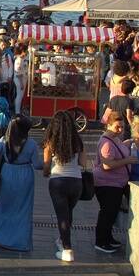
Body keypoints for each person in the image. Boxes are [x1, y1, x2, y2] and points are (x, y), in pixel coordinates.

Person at [0, 116, 43, 252]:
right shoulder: (31, 143)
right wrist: (48, 165)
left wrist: (1, 141)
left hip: (7, 174)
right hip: (24, 175)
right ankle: (20, 242)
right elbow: (37, 165)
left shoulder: (5, 141)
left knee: (5, 206)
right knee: (23, 209)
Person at [43, 110, 88, 263]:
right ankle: (62, 240)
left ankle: (67, 249)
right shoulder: (78, 141)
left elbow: (46, 166)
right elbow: (83, 163)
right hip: (76, 181)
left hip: (58, 181)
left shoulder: (51, 142)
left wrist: (46, 172)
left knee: (62, 216)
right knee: (68, 214)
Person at [94, 112, 138, 253]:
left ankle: (108, 238)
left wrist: (126, 144)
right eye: (117, 127)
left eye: (122, 127)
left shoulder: (115, 139)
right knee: (107, 212)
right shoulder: (106, 142)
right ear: (109, 125)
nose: (120, 130)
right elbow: (107, 165)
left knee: (112, 213)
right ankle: (101, 241)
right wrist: (128, 160)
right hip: (107, 184)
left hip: (117, 183)